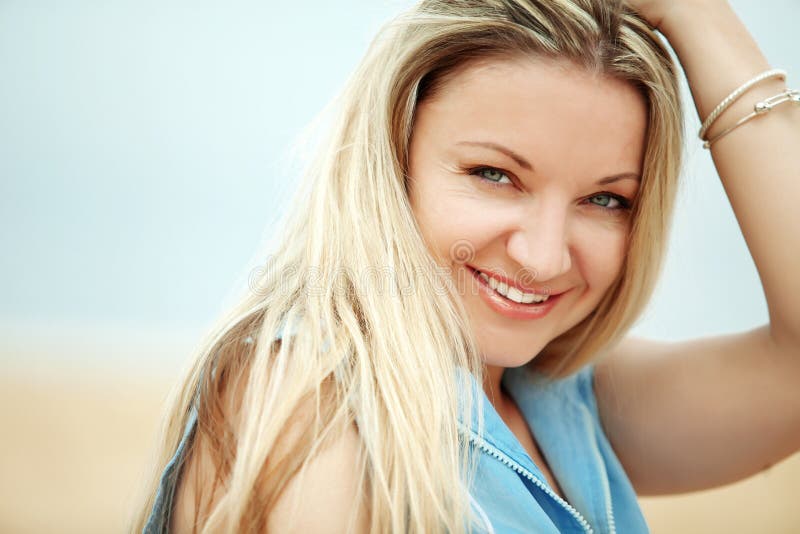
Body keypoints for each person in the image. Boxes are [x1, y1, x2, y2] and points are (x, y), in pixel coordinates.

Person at [132, 0, 800, 532]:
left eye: (605, 198)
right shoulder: (312, 409)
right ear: (395, 156)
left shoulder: (562, 400)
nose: (543, 256)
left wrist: (698, 12)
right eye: (495, 174)